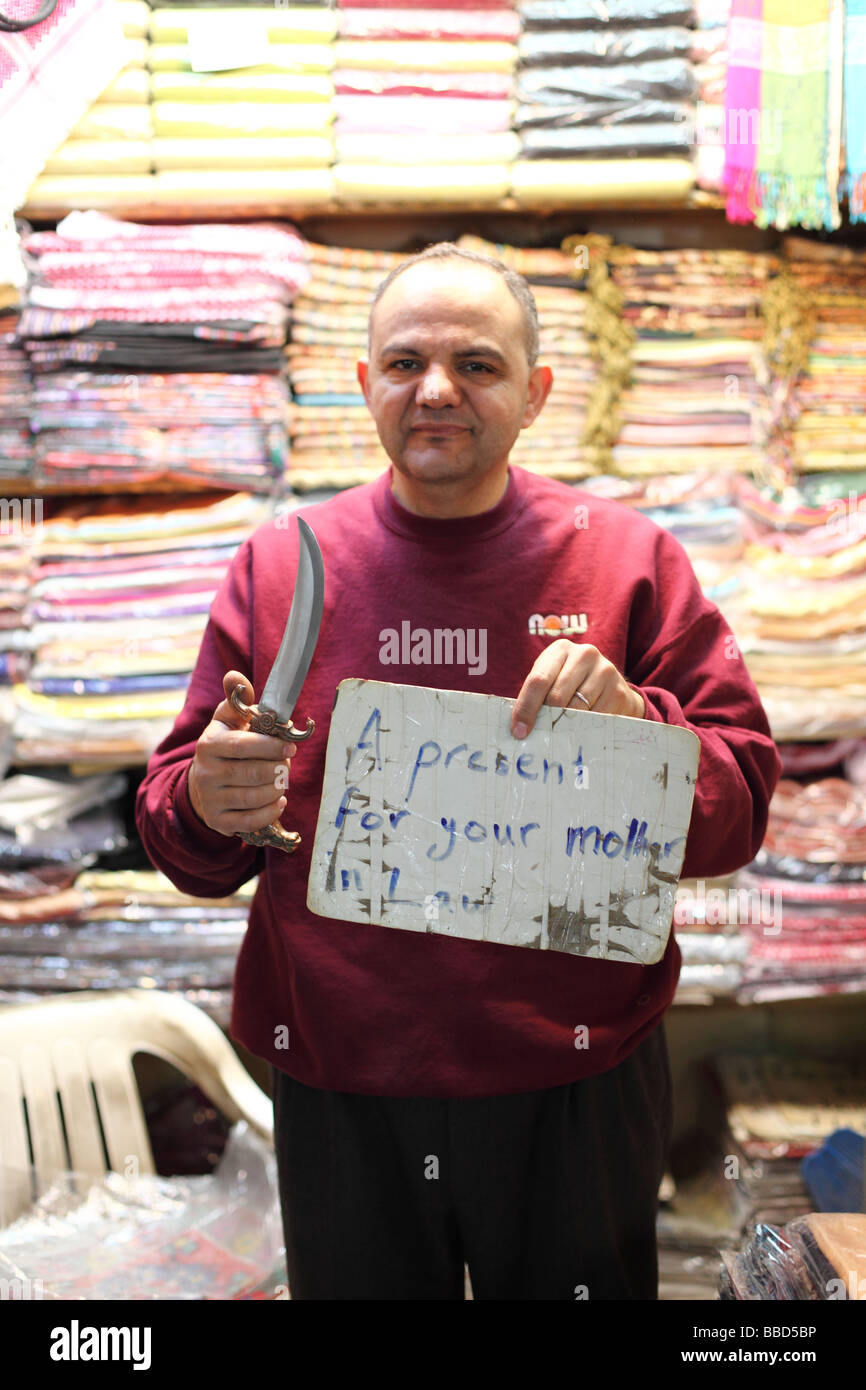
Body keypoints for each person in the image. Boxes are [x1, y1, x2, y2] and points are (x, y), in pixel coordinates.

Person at [135, 242, 782, 1301]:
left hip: (576, 1077)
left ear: (535, 392)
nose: (435, 389)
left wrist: (641, 733)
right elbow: (183, 829)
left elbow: (739, 805)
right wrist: (207, 799)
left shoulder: (626, 560)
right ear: (363, 385)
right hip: (341, 1074)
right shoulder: (280, 563)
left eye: (476, 365)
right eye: (403, 364)